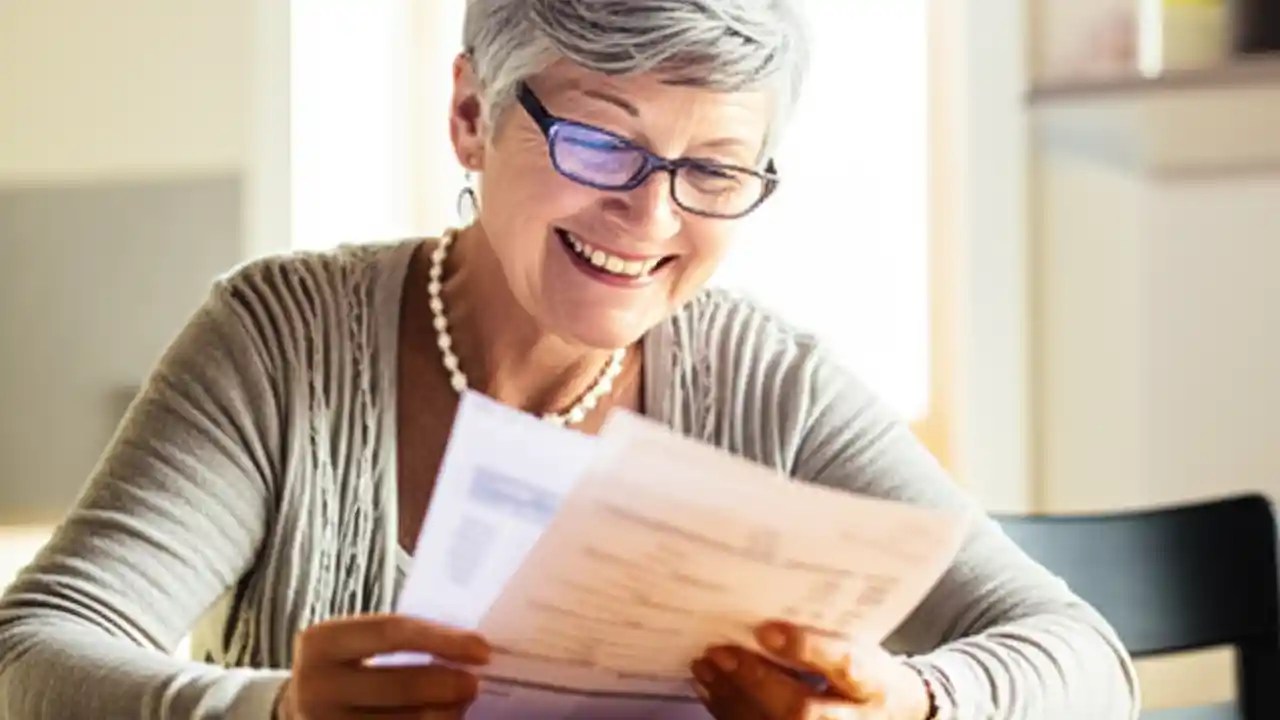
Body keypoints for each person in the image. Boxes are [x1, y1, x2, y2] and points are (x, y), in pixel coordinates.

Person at [0, 1, 1140, 718]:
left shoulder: (772, 385)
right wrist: (279, 711)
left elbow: (1085, 661)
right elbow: (34, 657)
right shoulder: (282, 341)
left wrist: (916, 701)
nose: (649, 218)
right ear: (467, 113)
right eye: (601, 140)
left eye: (713, 168)